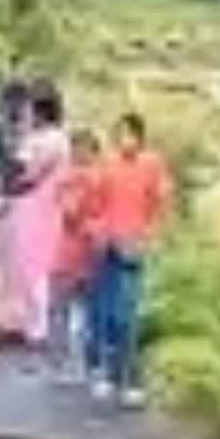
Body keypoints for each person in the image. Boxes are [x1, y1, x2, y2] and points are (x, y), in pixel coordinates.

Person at [87, 111, 171, 408]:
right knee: (107, 315)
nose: (124, 141)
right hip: (107, 247)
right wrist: (97, 231)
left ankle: (133, 380)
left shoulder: (152, 164)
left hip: (132, 248)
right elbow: (94, 204)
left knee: (127, 316)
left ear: (140, 136)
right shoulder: (107, 164)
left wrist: (147, 238)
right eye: (119, 134)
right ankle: (110, 377)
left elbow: (161, 205)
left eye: (129, 134)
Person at [0, 84, 69, 357]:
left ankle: (36, 328)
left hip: (36, 208)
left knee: (31, 266)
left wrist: (11, 179)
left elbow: (23, 172)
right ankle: (20, 323)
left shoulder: (49, 140)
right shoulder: (42, 137)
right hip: (31, 208)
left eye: (31, 109)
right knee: (21, 265)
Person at [49, 127, 104, 384]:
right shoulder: (66, 178)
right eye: (76, 149)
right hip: (67, 251)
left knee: (90, 311)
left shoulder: (101, 178)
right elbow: (69, 211)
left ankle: (88, 364)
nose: (80, 154)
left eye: (85, 149)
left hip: (92, 252)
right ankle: (60, 364)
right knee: (60, 309)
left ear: (95, 152)